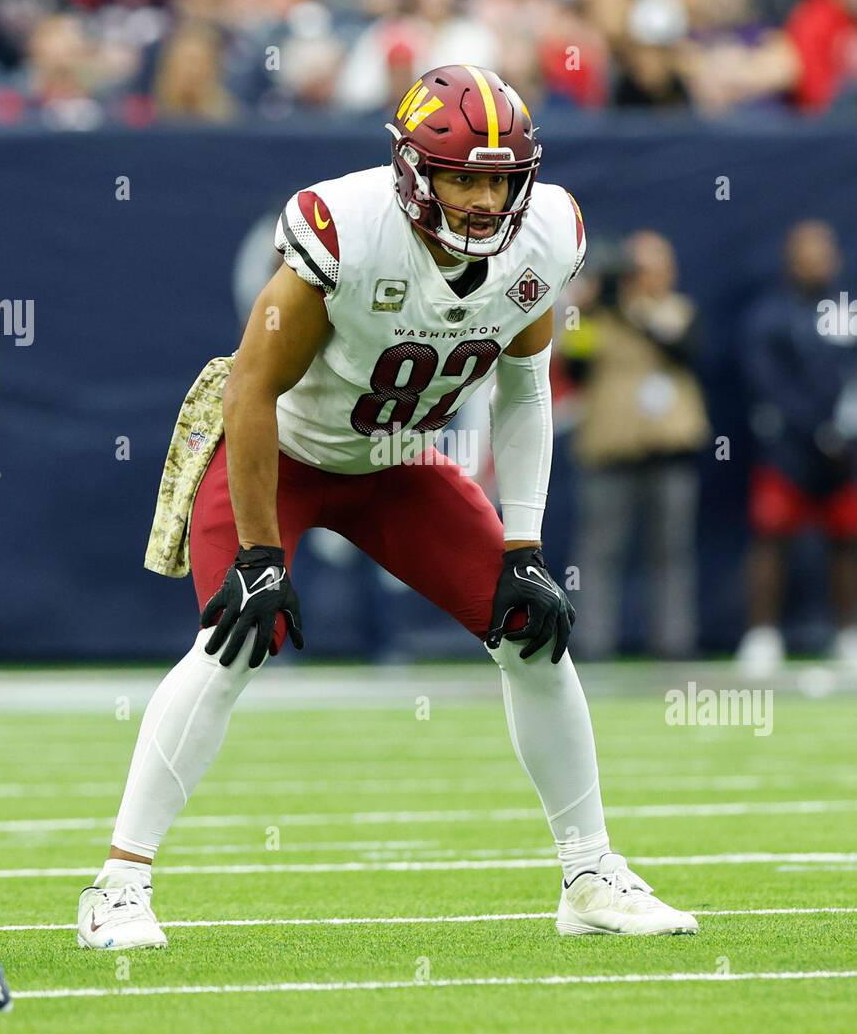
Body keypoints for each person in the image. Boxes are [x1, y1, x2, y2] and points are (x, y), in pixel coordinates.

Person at [76, 63, 698, 950]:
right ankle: (118, 883)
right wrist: (258, 555)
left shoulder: (546, 234)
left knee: (531, 625)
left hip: (400, 457)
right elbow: (250, 390)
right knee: (233, 639)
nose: (486, 199)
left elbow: (526, 387)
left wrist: (524, 542)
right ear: (413, 172)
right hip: (284, 451)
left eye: (500, 177)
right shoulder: (348, 226)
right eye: (463, 176)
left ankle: (590, 873)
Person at [563, 231, 709, 658]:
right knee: (599, 552)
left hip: (670, 452)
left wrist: (637, 313)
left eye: (649, 268)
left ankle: (673, 643)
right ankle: (593, 644)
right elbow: (575, 367)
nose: (640, 277)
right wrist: (589, 306)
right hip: (610, 452)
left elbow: (682, 351)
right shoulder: (596, 318)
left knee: (672, 554)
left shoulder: (679, 311)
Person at [737, 220, 857, 673]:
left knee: (847, 539)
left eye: (824, 251)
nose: (818, 260)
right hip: (786, 449)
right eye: (809, 251)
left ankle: (848, 634)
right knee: (771, 538)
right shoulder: (770, 313)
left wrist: (841, 427)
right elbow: (766, 383)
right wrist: (812, 429)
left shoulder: (848, 309)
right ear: (792, 257)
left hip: (844, 452)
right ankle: (762, 636)